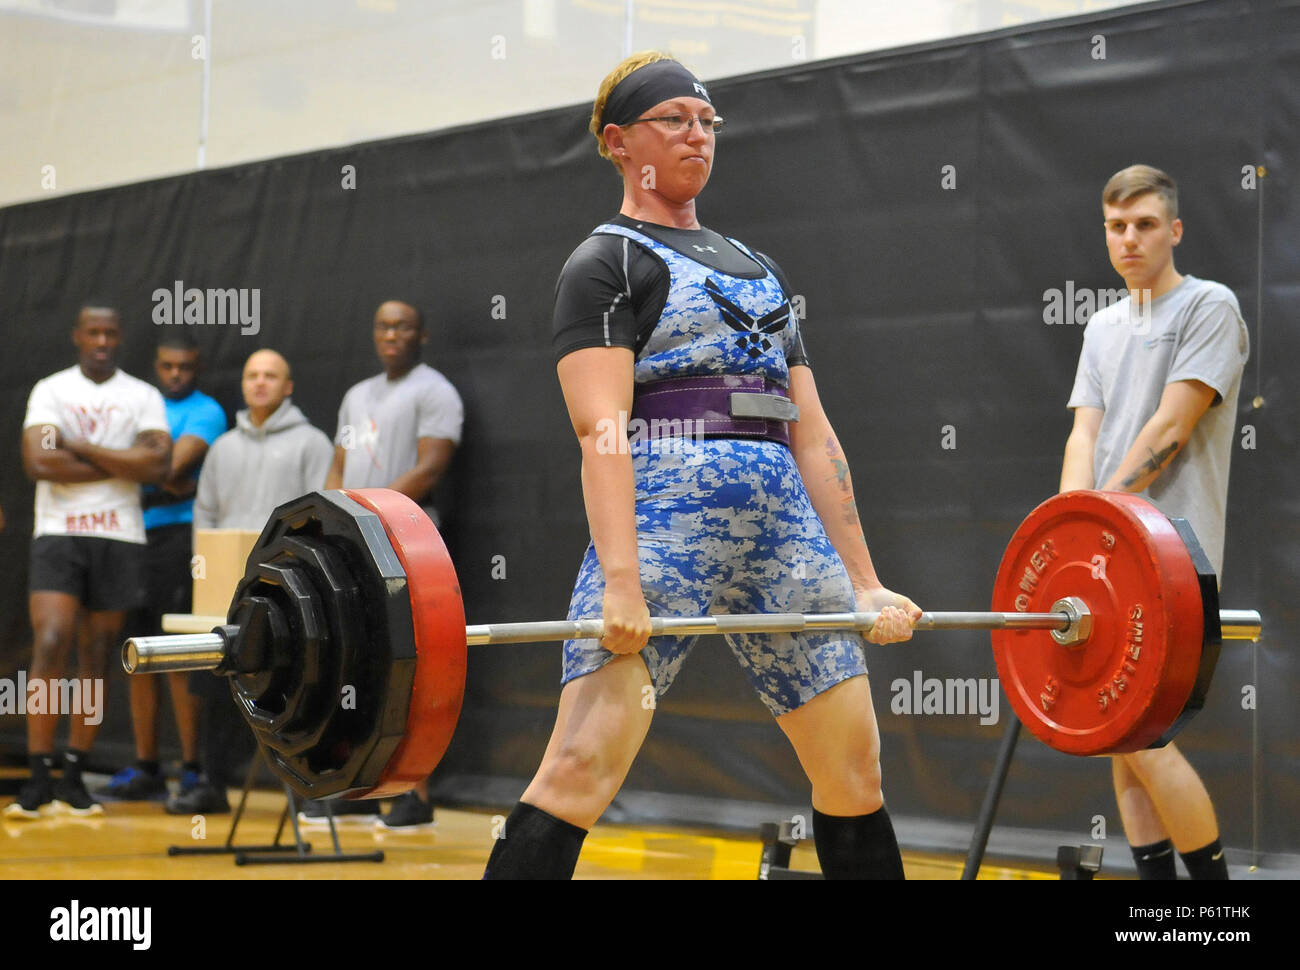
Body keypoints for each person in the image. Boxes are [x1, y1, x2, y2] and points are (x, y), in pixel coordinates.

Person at [482, 53, 920, 880]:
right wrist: (621, 580)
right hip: (662, 533)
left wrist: (862, 580)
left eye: (708, 120)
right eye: (674, 119)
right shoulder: (604, 264)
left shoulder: (762, 272)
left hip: (787, 538)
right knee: (577, 771)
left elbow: (814, 432)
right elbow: (600, 430)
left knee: (855, 776)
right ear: (618, 142)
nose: (697, 134)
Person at [1060, 164, 1249, 879]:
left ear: (1174, 230)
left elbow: (1171, 428)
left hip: (1174, 561)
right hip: (1108, 561)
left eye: (1144, 224)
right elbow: (1084, 435)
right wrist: (1070, 531)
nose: (1129, 238)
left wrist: (1098, 520)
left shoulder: (1210, 308)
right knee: (1122, 739)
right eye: (1116, 226)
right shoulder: (1103, 326)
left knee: (1145, 740)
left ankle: (1212, 910)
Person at [6, 303, 171, 819]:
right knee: (52, 640)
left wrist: (75, 446)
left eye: (111, 333)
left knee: (98, 653)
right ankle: (38, 774)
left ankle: (75, 772)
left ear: (120, 339)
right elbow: (37, 462)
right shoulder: (51, 390)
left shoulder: (141, 395)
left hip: (119, 534)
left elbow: (157, 465)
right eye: (93, 332)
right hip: (59, 532)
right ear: (77, 336)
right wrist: (119, 459)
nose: (102, 340)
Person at [311, 299, 462, 830]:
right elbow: (338, 463)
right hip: (353, 544)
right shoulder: (356, 396)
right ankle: (361, 788)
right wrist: (331, 518)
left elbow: (432, 465)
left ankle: (414, 797)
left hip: (407, 543)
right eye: (383, 325)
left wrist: (372, 517)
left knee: (410, 662)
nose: (392, 333)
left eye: (402, 326)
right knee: (357, 661)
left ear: (421, 334)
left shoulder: (435, 390)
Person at [174, 348, 334, 814]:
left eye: (271, 376)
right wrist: (209, 567)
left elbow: (319, 516)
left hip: (292, 596)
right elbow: (204, 515)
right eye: (252, 375)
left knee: (298, 688)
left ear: (288, 387)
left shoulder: (312, 443)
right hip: (228, 594)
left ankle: (308, 793)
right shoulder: (223, 448)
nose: (260, 383)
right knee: (218, 682)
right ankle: (212, 783)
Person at [103, 333, 227, 802]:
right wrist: (150, 474)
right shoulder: (139, 407)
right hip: (129, 534)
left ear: (197, 368)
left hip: (178, 542)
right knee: (136, 653)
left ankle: (192, 767)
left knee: (176, 652)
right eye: (168, 366)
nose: (176, 374)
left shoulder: (207, 411)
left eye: (185, 367)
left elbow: (169, 467)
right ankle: (147, 765)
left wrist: (135, 469)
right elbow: (153, 473)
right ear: (156, 366)